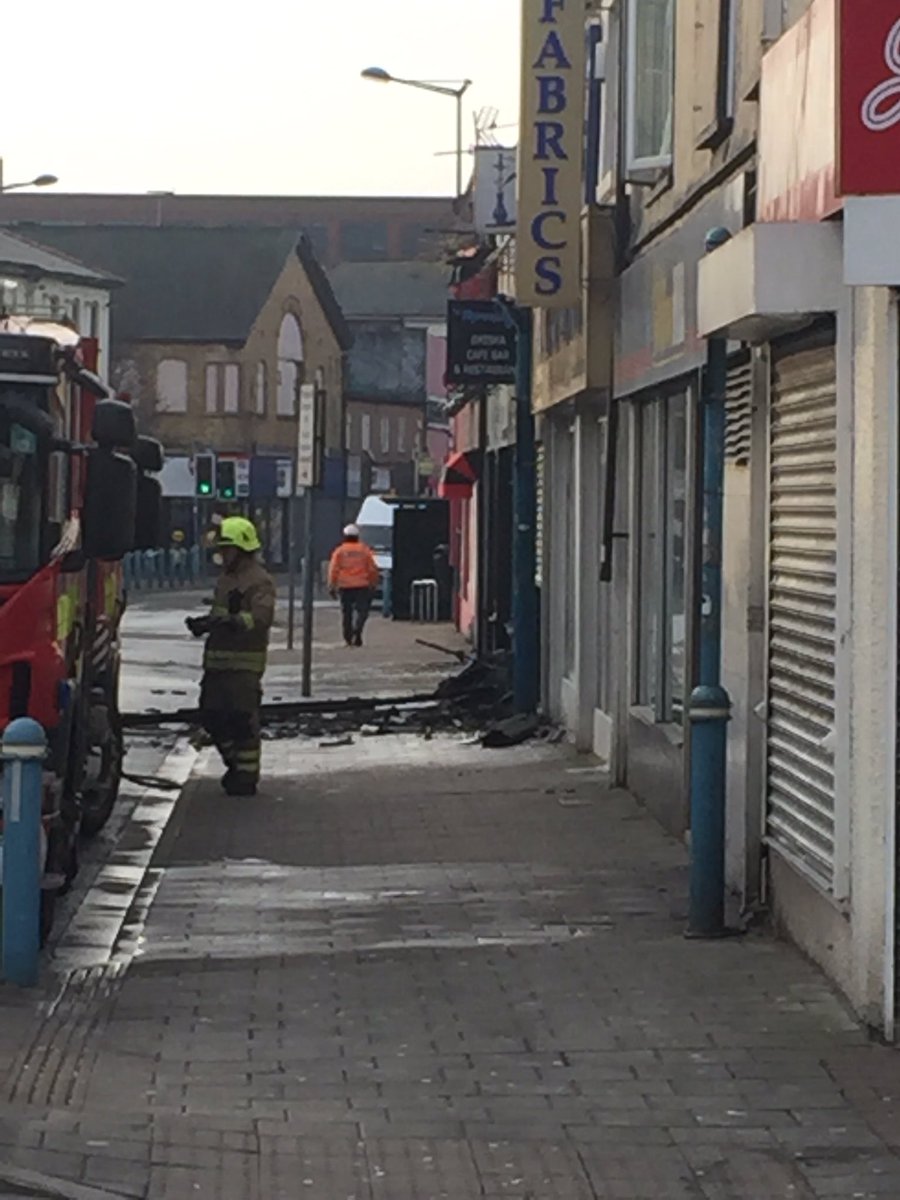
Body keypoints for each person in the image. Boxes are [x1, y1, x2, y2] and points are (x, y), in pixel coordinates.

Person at [185, 516, 275, 796]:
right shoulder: (226, 579)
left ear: (241, 549)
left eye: (227, 549)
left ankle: (246, 777)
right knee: (211, 716)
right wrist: (207, 623)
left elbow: (261, 618)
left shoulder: (259, 581)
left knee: (242, 721)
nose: (222, 555)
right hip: (217, 665)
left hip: (244, 666)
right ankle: (235, 765)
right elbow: (222, 613)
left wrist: (231, 622)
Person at [328, 523, 379, 647]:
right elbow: (372, 568)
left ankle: (348, 637)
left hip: (345, 586)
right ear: (357, 536)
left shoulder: (339, 551)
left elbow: (333, 569)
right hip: (362, 585)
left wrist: (332, 585)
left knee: (347, 613)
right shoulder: (364, 550)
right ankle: (358, 630)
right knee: (362, 611)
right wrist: (373, 582)